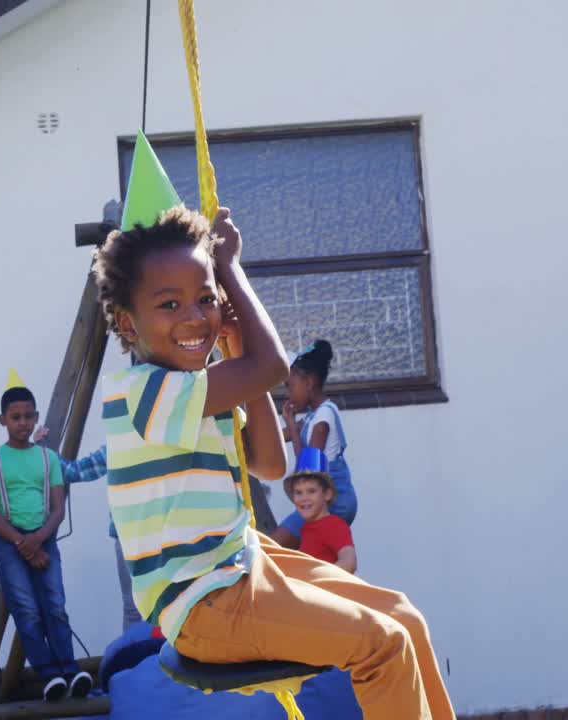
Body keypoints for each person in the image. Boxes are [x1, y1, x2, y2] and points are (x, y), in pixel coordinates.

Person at [91, 202, 454, 720]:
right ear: (128, 324)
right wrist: (230, 268)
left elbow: (268, 464)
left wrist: (236, 342)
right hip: (205, 603)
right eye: (169, 304)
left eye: (206, 298)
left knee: (405, 619)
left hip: (244, 566)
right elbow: (273, 366)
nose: (194, 316)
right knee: (382, 644)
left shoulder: (202, 393)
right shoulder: (143, 393)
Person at [0, 378, 92, 701]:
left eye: (29, 416)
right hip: (8, 543)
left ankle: (70, 670)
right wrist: (23, 544)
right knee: (26, 610)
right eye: (15, 417)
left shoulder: (48, 459)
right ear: (2, 420)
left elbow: (58, 508)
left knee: (55, 606)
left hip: (45, 540)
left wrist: (39, 540)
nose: (23, 423)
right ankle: (49, 675)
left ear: (36, 416)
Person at [35, 434, 144, 632]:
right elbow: (75, 471)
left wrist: (43, 449)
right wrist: (43, 449)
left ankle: (139, 651)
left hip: (133, 536)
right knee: (158, 607)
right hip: (140, 536)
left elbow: (75, 471)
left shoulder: (119, 441)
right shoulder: (122, 442)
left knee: (134, 609)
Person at [273, 339, 356, 550]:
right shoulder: (313, 416)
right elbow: (279, 436)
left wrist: (292, 426)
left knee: (276, 545)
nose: (287, 394)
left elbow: (307, 466)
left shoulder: (323, 417)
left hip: (333, 500)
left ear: (308, 383)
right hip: (320, 497)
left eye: (290, 386)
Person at [285, 447, 356, 574]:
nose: (304, 498)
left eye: (311, 491)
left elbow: (349, 562)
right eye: (298, 492)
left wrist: (318, 580)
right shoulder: (305, 529)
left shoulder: (334, 525)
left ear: (327, 494)